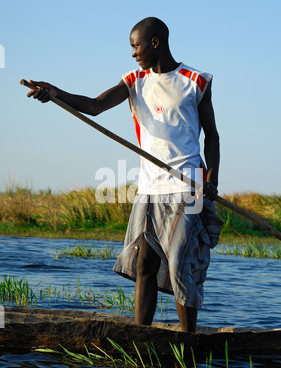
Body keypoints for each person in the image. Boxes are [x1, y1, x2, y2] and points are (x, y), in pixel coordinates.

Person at [27, 17, 223, 332]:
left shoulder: (196, 81)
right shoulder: (134, 81)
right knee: (145, 265)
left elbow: (212, 136)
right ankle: (141, 335)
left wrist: (211, 179)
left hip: (188, 187)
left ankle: (189, 341)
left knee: (180, 265)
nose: (133, 53)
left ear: (155, 43)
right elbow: (94, 105)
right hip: (149, 188)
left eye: (136, 46)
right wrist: (54, 92)